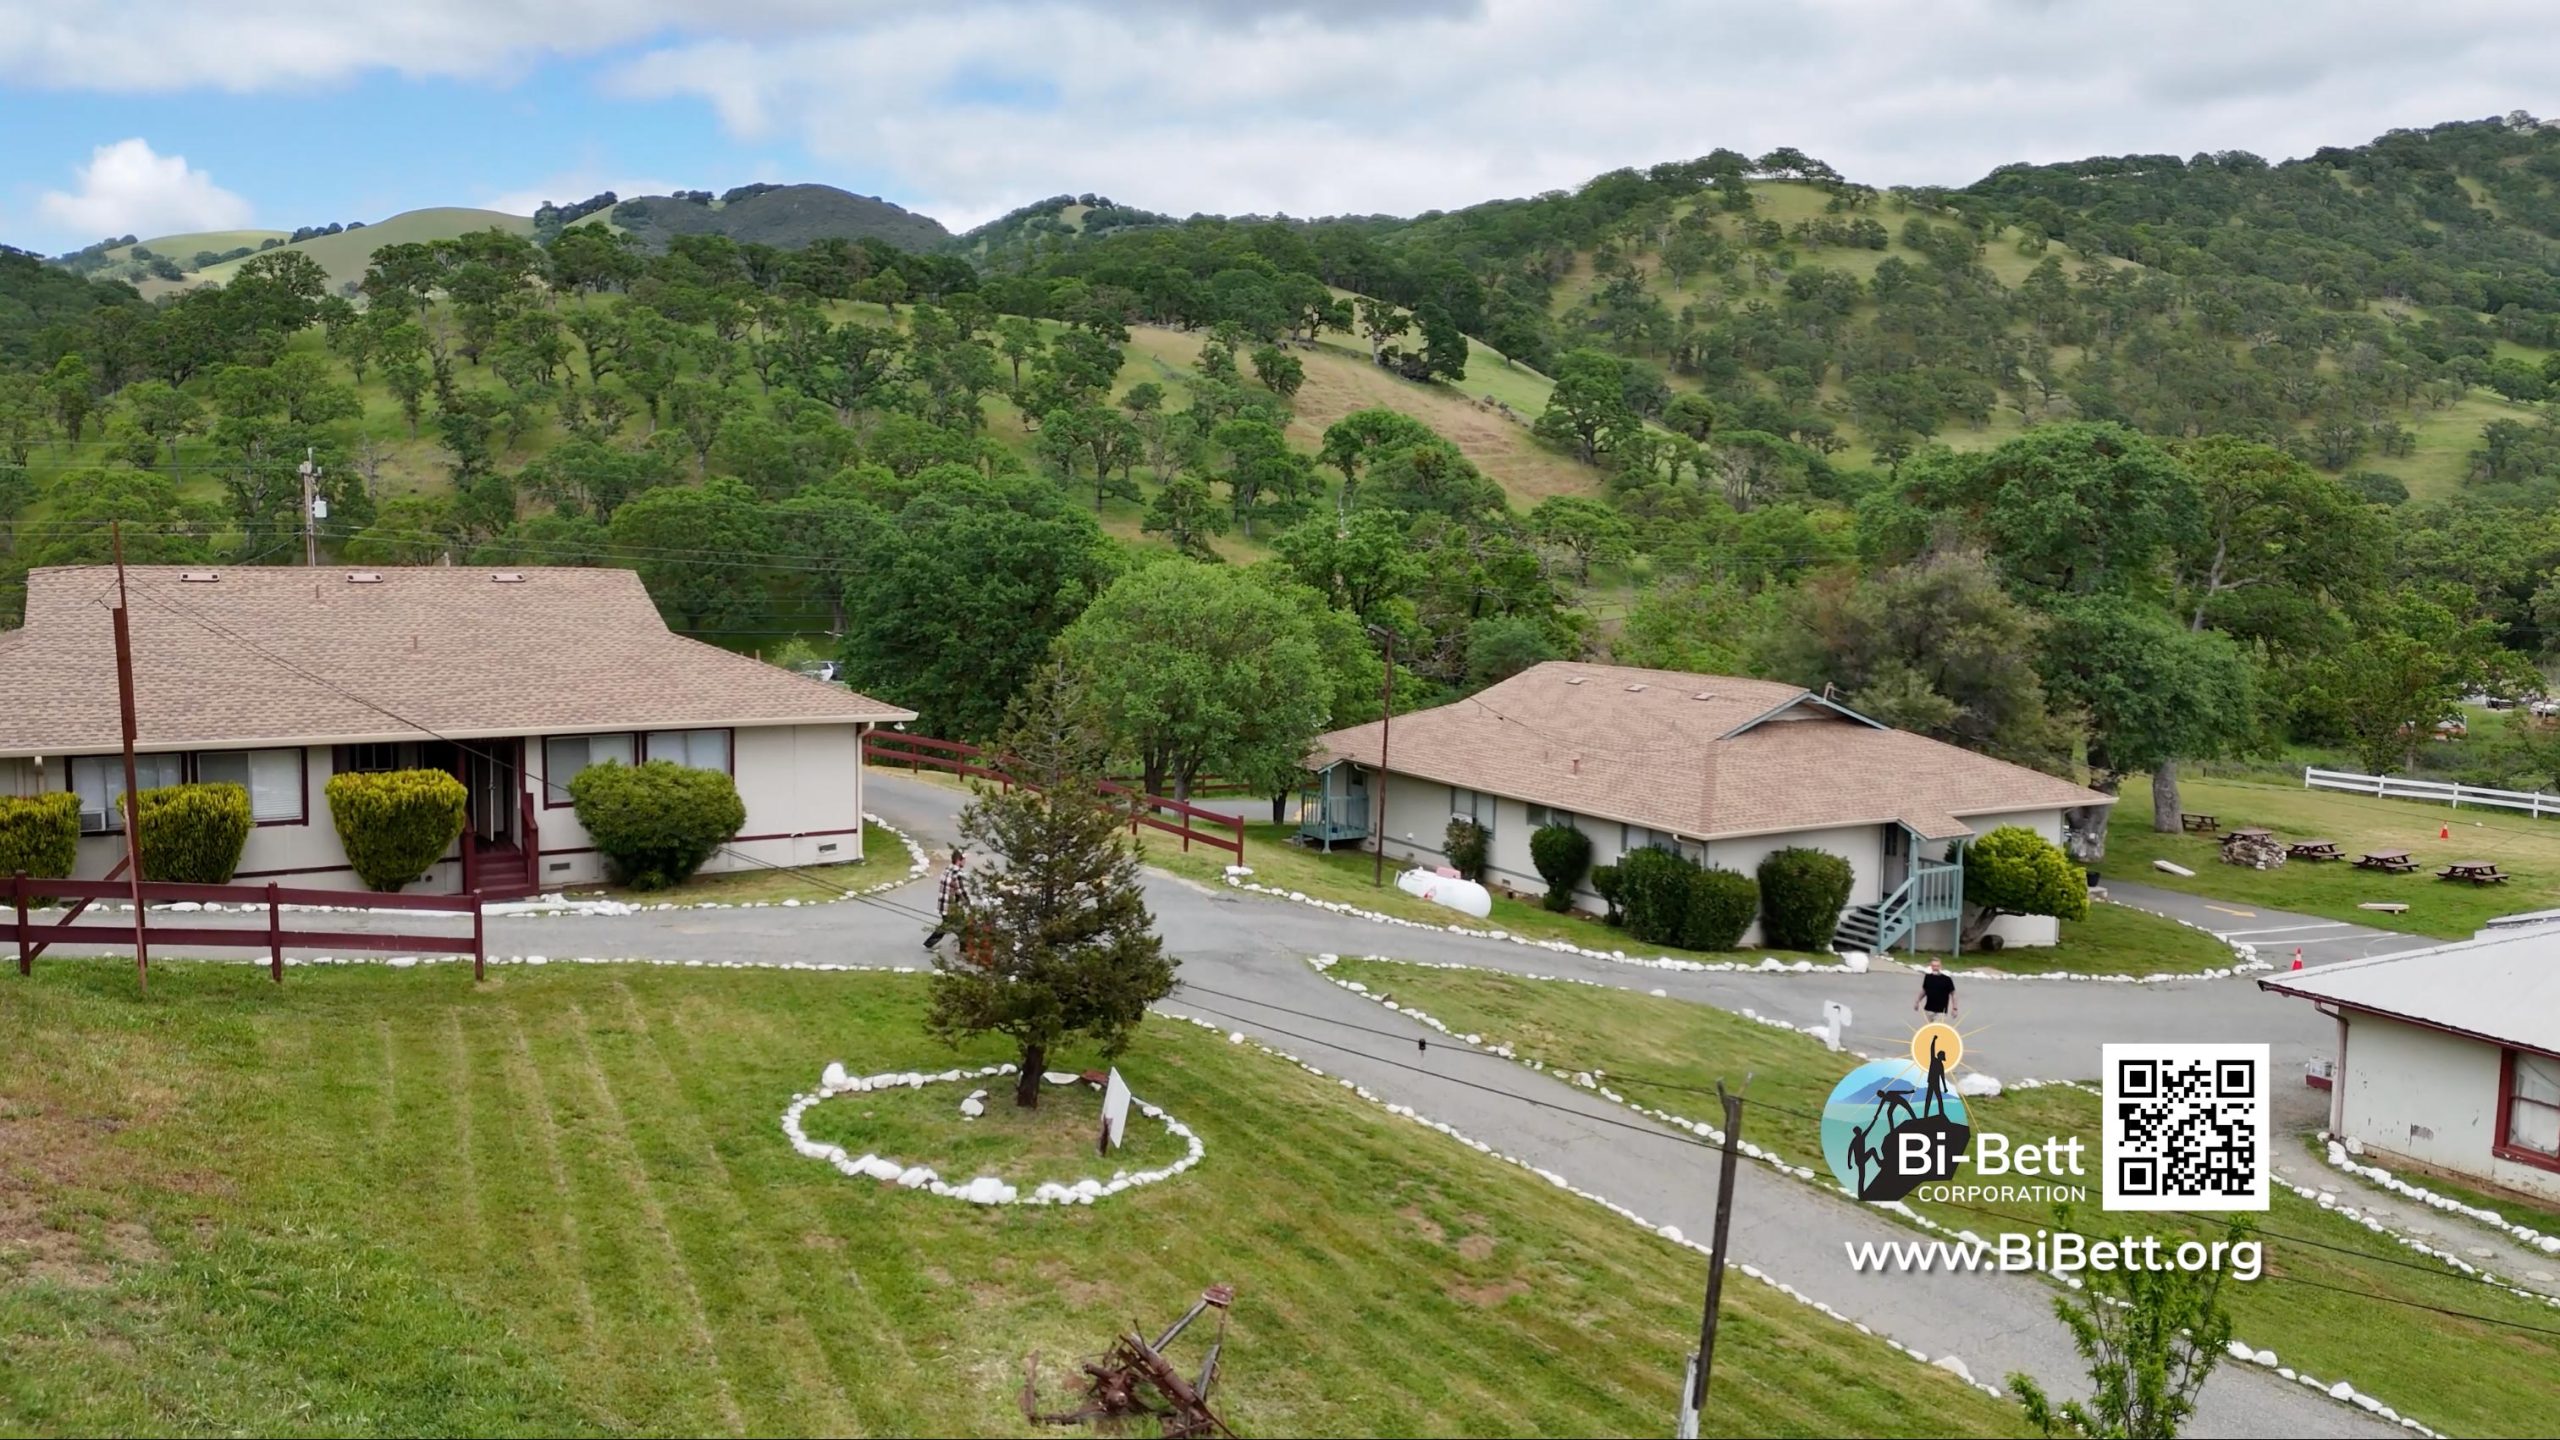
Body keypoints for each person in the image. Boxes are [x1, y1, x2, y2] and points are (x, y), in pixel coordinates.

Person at [923, 847, 967, 950]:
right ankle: (964, 949)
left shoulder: (947, 870)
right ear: (958, 860)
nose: (965, 861)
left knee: (946, 926)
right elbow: (961, 892)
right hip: (952, 907)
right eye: (963, 859)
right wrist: (968, 903)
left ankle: (929, 943)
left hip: (943, 905)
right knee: (962, 927)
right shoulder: (957, 874)